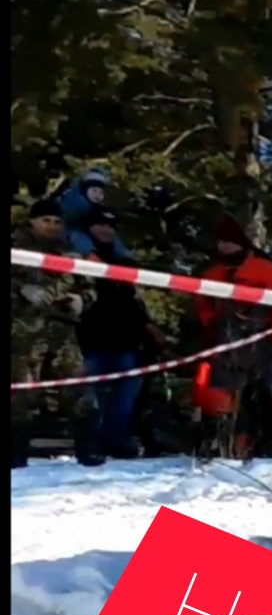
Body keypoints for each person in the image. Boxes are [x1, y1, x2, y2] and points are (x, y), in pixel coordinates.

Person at [188, 213, 272, 460]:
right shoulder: (213, 273)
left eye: (228, 241)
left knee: (261, 394)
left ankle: (266, 445)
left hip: (262, 343)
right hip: (226, 343)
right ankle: (218, 443)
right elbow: (202, 304)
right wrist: (212, 325)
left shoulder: (266, 270)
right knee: (219, 393)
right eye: (220, 242)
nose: (223, 246)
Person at [73, 207, 163, 464]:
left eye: (110, 226)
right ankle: (92, 442)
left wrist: (150, 329)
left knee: (125, 396)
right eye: (100, 225)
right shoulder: (80, 257)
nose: (106, 230)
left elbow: (134, 303)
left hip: (126, 344)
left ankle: (116, 440)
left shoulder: (123, 257)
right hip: (93, 340)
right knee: (93, 395)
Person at [12, 200, 94, 469]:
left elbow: (89, 287)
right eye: (46, 220)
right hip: (22, 333)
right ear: (32, 222)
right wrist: (20, 290)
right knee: (22, 395)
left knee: (77, 387)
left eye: (57, 222)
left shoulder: (71, 254)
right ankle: (15, 454)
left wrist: (81, 300)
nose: (52, 226)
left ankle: (88, 452)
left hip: (63, 330)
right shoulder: (16, 249)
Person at [59, 168, 134, 260]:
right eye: (94, 191)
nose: (97, 195)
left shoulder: (100, 208)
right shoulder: (76, 202)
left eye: (101, 192)